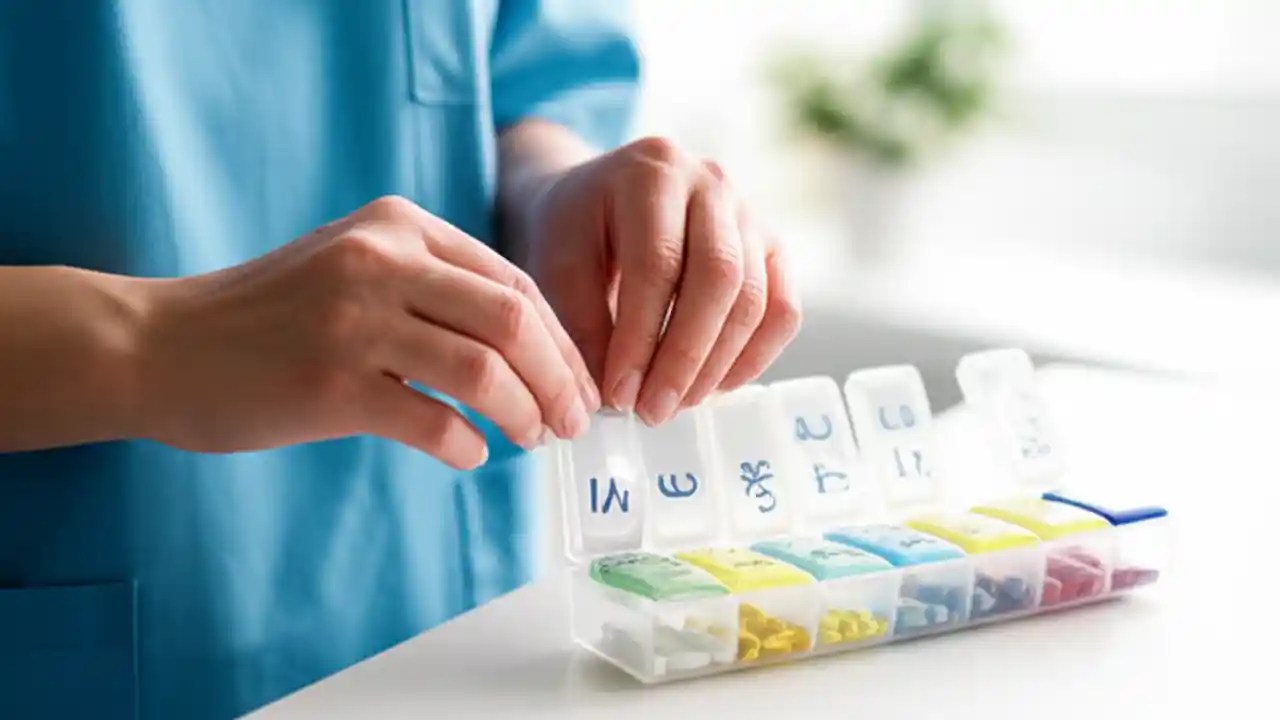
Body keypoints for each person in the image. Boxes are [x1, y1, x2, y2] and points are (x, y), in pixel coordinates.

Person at [0, 2, 800, 718]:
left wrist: (553, 192)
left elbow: (517, 76)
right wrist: (148, 345)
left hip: (454, 627)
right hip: (97, 636)